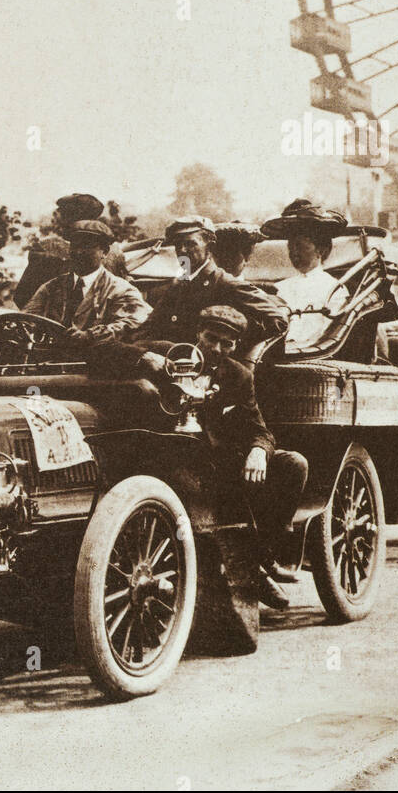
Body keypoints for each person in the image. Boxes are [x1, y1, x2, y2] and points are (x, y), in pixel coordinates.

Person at [126, 305, 308, 611]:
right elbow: (103, 347)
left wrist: (258, 452)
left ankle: (260, 560)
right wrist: (145, 358)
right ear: (198, 333)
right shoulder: (169, 353)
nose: (218, 348)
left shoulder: (238, 375)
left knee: (294, 464)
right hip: (171, 460)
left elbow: (259, 428)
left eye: (228, 343)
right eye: (211, 338)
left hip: (219, 464)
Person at [91, 216, 288, 372]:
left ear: (209, 247)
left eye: (190, 244)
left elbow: (278, 320)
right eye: (178, 245)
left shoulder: (226, 283)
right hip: (168, 365)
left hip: (204, 370)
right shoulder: (178, 285)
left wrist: (228, 346)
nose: (183, 250)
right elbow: (149, 327)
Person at [24, 220, 151, 343]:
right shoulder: (51, 287)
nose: (79, 252)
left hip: (96, 360)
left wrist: (90, 336)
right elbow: (27, 318)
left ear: (104, 252)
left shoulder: (120, 289)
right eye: (75, 246)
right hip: (49, 359)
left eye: (87, 246)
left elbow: (137, 320)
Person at [14, 193, 129, 308]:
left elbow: (22, 297)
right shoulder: (114, 251)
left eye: (60, 213)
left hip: (52, 323)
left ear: (66, 218)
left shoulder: (46, 247)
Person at [265, 200, 349, 352]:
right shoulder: (279, 288)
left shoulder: (334, 289)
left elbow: (328, 335)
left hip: (310, 353)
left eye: (300, 246)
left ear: (321, 250)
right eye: (291, 246)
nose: (294, 252)